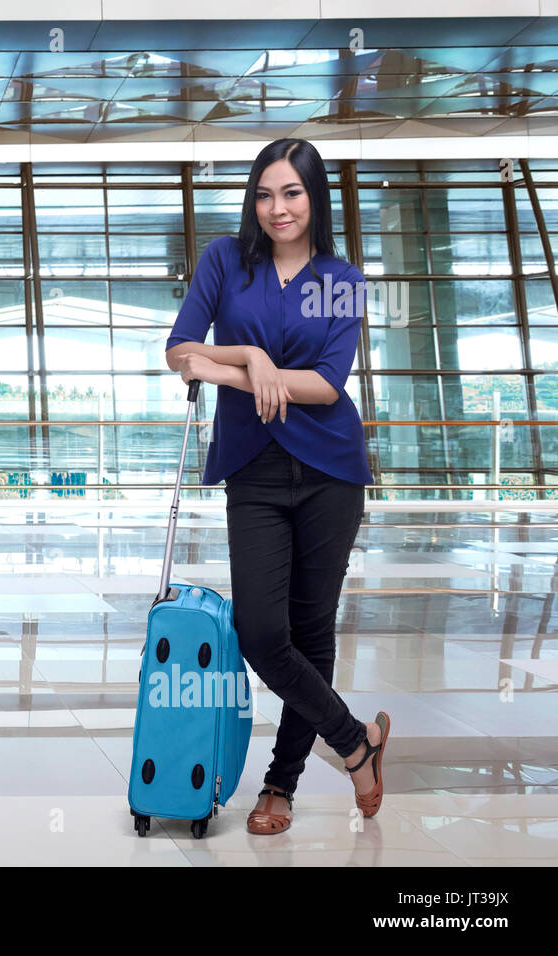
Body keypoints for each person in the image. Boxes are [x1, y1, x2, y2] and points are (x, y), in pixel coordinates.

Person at [163, 138, 391, 835]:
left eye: (291, 192)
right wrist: (251, 358)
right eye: (264, 193)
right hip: (254, 467)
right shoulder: (225, 260)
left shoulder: (341, 278)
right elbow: (179, 351)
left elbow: (326, 385)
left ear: (314, 197)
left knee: (310, 632)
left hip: (330, 469)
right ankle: (356, 741)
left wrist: (226, 368)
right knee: (262, 631)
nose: (276, 207)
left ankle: (280, 787)